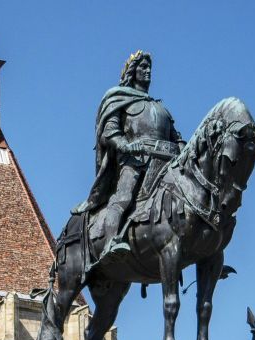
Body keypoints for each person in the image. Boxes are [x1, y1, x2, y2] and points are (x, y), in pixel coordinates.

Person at [75, 50, 185, 265]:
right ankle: (110, 243)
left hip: (167, 163)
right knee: (123, 197)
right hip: (135, 161)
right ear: (133, 72)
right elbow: (110, 131)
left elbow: (176, 137)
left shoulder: (160, 108)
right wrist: (126, 145)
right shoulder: (120, 100)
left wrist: (186, 150)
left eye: (149, 68)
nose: (148, 71)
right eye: (143, 67)